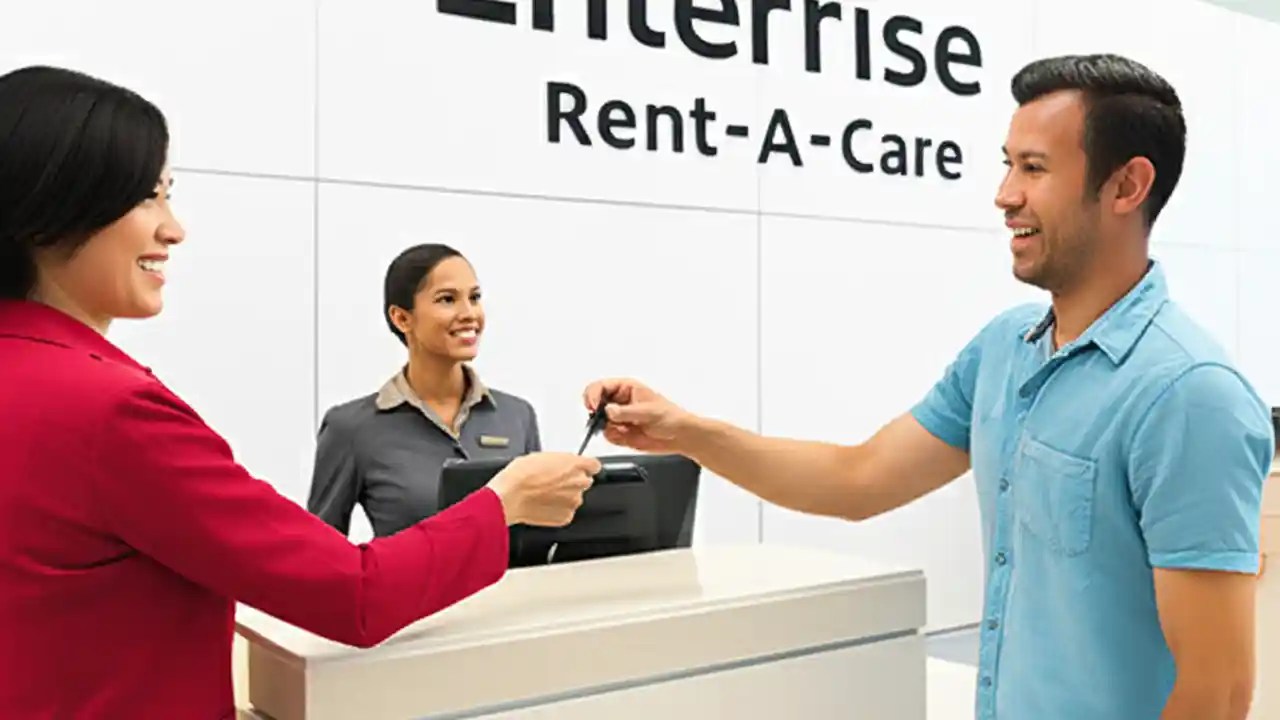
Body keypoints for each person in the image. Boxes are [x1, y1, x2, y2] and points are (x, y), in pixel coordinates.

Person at [584, 54, 1271, 720]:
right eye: (1008, 164)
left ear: (1126, 187)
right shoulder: (1004, 350)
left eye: (1034, 168)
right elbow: (858, 479)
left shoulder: (1190, 396)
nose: (1005, 195)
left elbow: (1216, 691)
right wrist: (687, 432)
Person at [0, 65, 600, 719]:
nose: (174, 228)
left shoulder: (30, 381)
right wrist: (501, 503)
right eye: (148, 196)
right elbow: (353, 592)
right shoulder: (113, 412)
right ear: (53, 207)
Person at [308, 243, 542, 538]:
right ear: (402, 318)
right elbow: (320, 552)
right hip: (406, 586)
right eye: (447, 299)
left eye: (475, 297)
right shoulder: (352, 429)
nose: (469, 313)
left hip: (513, 586)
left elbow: (539, 536)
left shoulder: (517, 416)